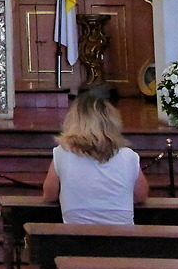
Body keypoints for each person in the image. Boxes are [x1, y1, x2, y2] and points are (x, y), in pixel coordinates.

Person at [41, 91, 148, 225]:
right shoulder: (128, 156)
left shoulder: (62, 154)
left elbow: (49, 196)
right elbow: (140, 196)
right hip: (121, 241)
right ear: (111, 122)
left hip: (77, 240)